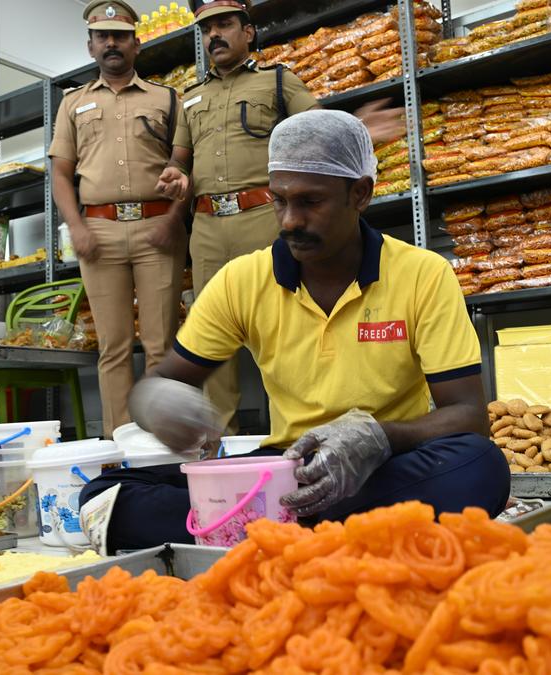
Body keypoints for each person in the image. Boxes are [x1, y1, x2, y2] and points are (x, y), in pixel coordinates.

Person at [83, 110, 509, 552]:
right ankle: (321, 528)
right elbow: (164, 381)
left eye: (310, 201)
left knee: (480, 466)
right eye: (279, 200)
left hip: (384, 464)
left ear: (360, 193)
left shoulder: (422, 274)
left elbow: (468, 416)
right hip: (285, 467)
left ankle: (253, 529)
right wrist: (157, 402)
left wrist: (378, 437)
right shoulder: (242, 280)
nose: (289, 220)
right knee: (104, 495)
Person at [155, 0, 402, 435]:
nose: (214, 35)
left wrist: (358, 128)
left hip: (266, 218)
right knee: (212, 350)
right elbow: (180, 160)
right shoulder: (190, 97)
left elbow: (320, 130)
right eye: (207, 28)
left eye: (225, 24)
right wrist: (175, 174)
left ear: (248, 32)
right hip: (209, 227)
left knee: (289, 334)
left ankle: (296, 441)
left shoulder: (277, 80)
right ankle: (217, 451)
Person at [49, 0, 189, 439]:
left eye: (121, 35)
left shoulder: (168, 99)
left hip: (158, 230)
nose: (112, 43)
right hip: (99, 231)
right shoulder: (72, 104)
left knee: (160, 345)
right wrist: (76, 227)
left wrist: (174, 218)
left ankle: (161, 440)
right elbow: (60, 171)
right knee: (112, 347)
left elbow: (187, 168)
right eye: (103, 36)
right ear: (90, 46)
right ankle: (119, 442)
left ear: (137, 44)